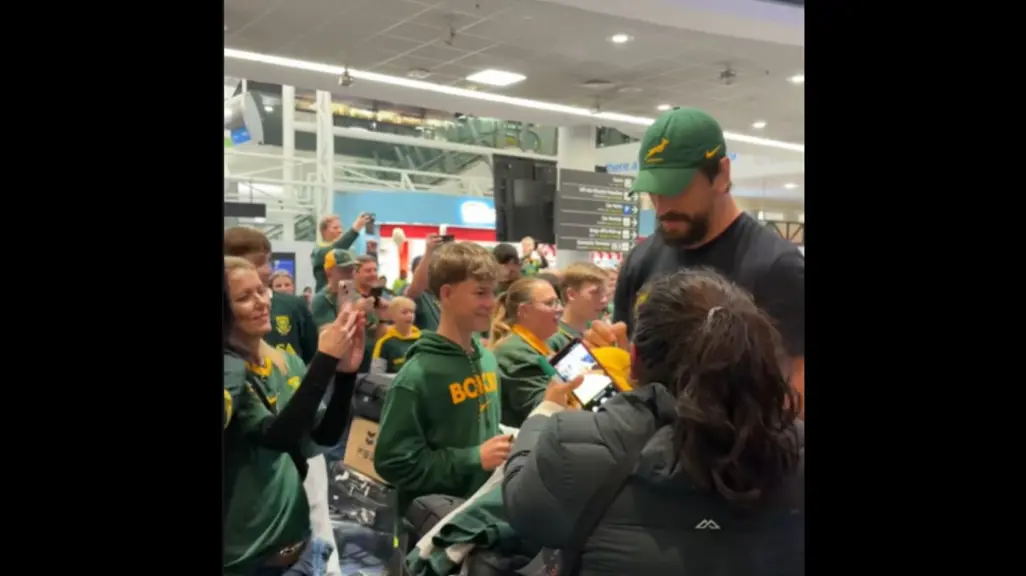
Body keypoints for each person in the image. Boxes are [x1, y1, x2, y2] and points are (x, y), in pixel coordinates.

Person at [503, 270, 805, 576]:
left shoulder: (574, 443)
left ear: (634, 358)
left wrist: (546, 409)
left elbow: (523, 508)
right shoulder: (794, 445)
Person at [611, 107, 805, 415]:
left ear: (722, 174)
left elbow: (798, 383)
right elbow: (629, 363)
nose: (662, 207)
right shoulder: (641, 260)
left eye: (678, 189)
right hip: (649, 453)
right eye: (654, 191)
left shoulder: (777, 266)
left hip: (737, 455)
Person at [223, 256, 368, 576]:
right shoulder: (232, 374)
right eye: (244, 298)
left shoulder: (283, 362)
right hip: (247, 559)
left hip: (300, 548)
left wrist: (345, 374)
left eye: (261, 291)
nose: (261, 302)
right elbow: (276, 435)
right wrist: (325, 359)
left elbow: (322, 436)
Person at [373, 242, 507, 515]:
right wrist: (474, 458)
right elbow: (393, 463)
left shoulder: (487, 359)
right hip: (435, 524)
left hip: (482, 512)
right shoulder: (417, 376)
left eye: (493, 292)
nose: (491, 303)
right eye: (480, 293)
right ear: (447, 294)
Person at [224, 227, 318, 364]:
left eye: (268, 261)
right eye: (258, 263)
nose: (268, 270)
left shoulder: (294, 305)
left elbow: (311, 356)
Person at [489, 277, 563, 427]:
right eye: (550, 303)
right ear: (524, 311)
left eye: (558, 301)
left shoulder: (536, 344)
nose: (560, 309)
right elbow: (542, 410)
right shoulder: (515, 352)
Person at [310, 249, 378, 373]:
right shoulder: (322, 300)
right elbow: (332, 338)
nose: (350, 274)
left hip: (360, 365)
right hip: (334, 370)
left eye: (352, 269)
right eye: (344, 270)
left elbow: (372, 329)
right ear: (329, 272)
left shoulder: (354, 295)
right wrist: (357, 310)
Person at [547, 263, 609, 352]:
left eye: (604, 293)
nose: (604, 300)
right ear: (571, 294)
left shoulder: (597, 333)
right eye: (595, 292)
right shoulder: (554, 340)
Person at [311, 213, 370, 292]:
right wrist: (356, 227)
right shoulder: (319, 251)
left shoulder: (344, 250)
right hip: (327, 297)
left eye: (340, 228)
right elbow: (337, 248)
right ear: (323, 231)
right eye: (335, 228)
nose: (340, 231)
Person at [370, 296, 421, 374]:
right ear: (393, 316)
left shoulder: (422, 340)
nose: (410, 315)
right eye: (404, 312)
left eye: (412, 312)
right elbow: (376, 375)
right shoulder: (384, 343)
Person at [403, 236, 443, 332]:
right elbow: (416, 288)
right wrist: (429, 252)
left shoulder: (440, 294)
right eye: (427, 270)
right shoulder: (413, 292)